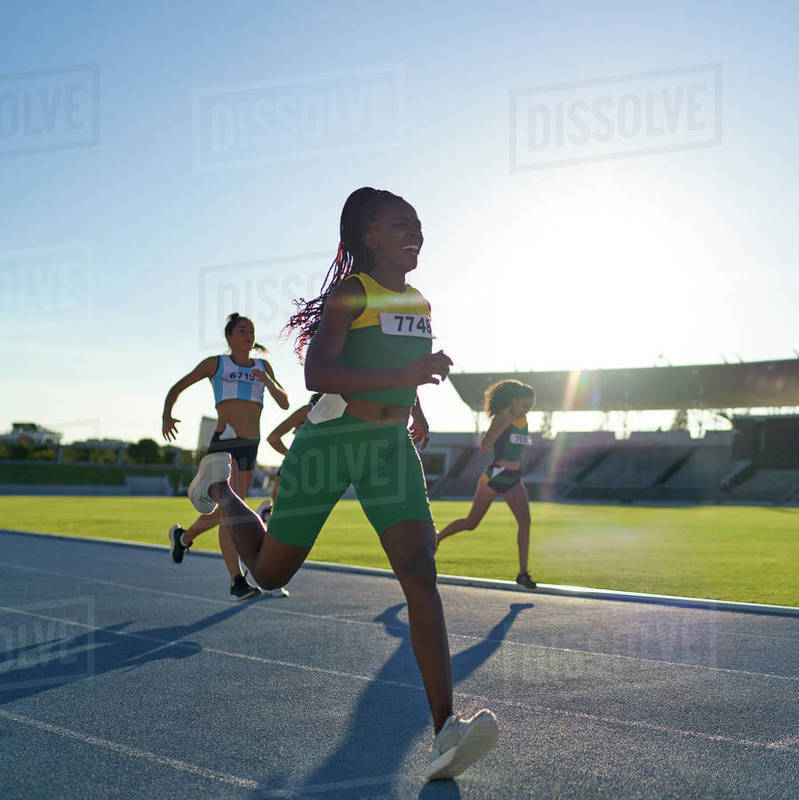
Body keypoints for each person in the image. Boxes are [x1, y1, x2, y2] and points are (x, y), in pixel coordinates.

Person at [183, 187, 498, 781]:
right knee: (271, 574)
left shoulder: (421, 301)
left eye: (420, 224)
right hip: (332, 440)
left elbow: (403, 372)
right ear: (369, 234)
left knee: (420, 572)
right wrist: (401, 374)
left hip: (388, 447)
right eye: (400, 223)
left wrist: (414, 405)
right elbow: (317, 373)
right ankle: (222, 490)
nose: (416, 232)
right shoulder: (351, 292)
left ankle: (445, 732)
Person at [162, 313, 290, 600]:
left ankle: (183, 538)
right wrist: (167, 416)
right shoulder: (217, 364)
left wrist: (267, 380)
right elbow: (177, 387)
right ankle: (236, 581)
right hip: (226, 442)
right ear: (230, 337)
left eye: (252, 330)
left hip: (250, 445)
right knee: (231, 515)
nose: (248, 334)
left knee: (232, 512)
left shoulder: (262, 366)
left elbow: (284, 402)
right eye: (242, 330)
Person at [436, 380, 537, 589]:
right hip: (495, 476)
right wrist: (500, 428)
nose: (527, 409)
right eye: (524, 405)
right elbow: (484, 446)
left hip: (514, 477)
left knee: (525, 521)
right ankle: (436, 539)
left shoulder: (523, 419)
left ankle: (523, 573)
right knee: (471, 523)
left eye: (530, 406)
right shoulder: (502, 418)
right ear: (513, 401)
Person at [257, 393, 322, 524]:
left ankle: (265, 517)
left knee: (296, 523)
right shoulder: (308, 410)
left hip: (314, 473)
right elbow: (273, 437)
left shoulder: (341, 410)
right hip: (292, 470)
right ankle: (265, 517)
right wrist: (293, 457)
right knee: (284, 522)